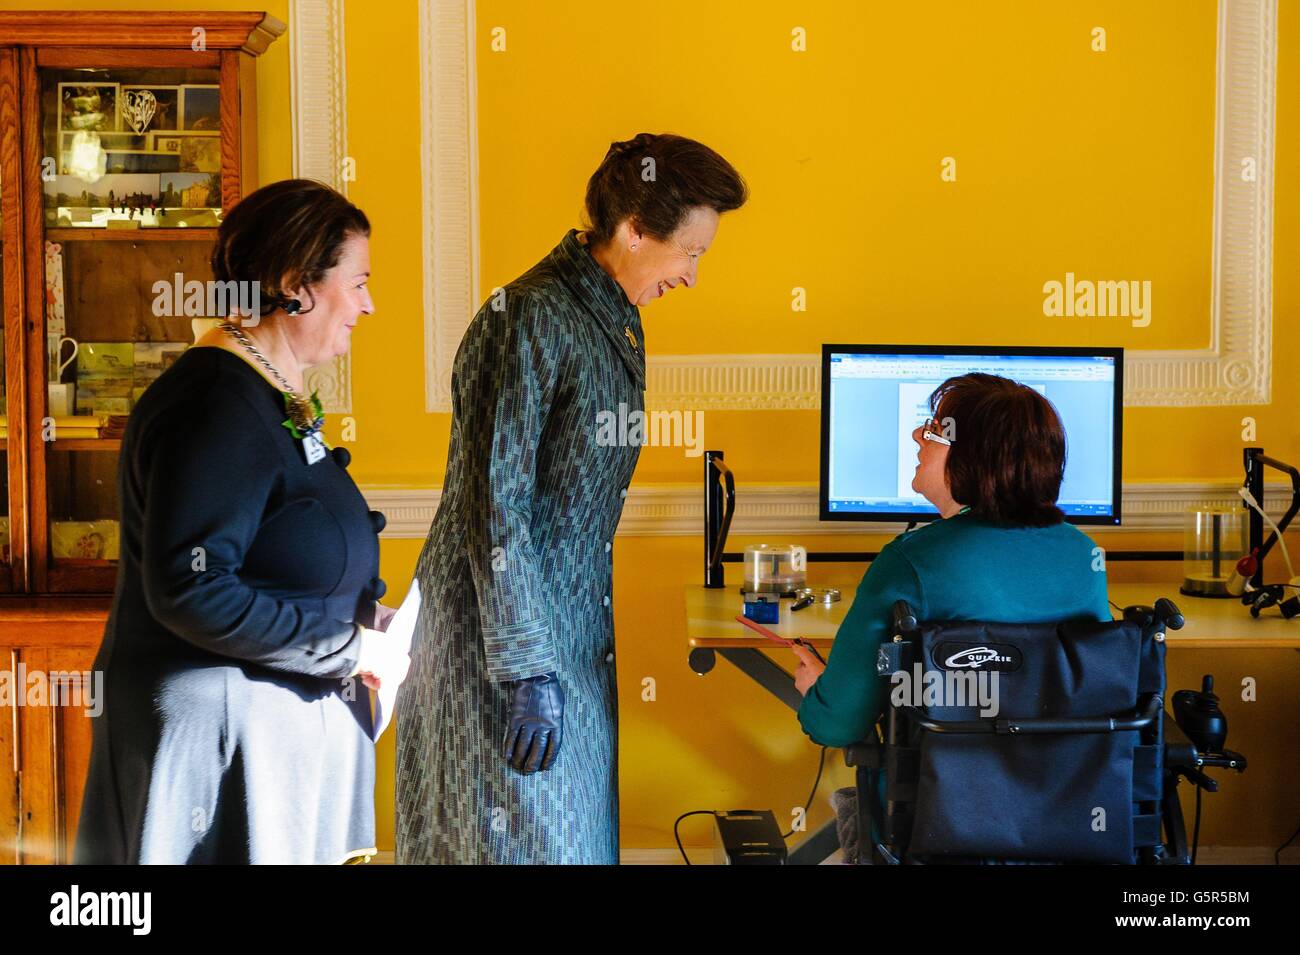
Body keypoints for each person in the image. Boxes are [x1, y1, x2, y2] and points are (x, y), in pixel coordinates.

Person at [397, 133, 748, 864]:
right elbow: (496, 503)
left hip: (567, 644)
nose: (691, 276)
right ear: (635, 230)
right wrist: (526, 665)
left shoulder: (611, 317)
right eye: (691, 252)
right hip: (496, 646)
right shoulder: (526, 317)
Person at [74, 179, 410, 865]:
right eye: (358, 281)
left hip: (263, 744)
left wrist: (359, 624)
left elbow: (273, 551)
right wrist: (347, 649)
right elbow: (190, 588)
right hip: (217, 754)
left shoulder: (257, 389)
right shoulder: (216, 403)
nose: (368, 303)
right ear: (295, 285)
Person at [793, 372, 1111, 746]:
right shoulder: (1084, 554)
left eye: (932, 431)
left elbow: (836, 726)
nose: (917, 437)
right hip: (1065, 792)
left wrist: (818, 691)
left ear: (971, 457)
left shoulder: (910, 560)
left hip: (943, 798)